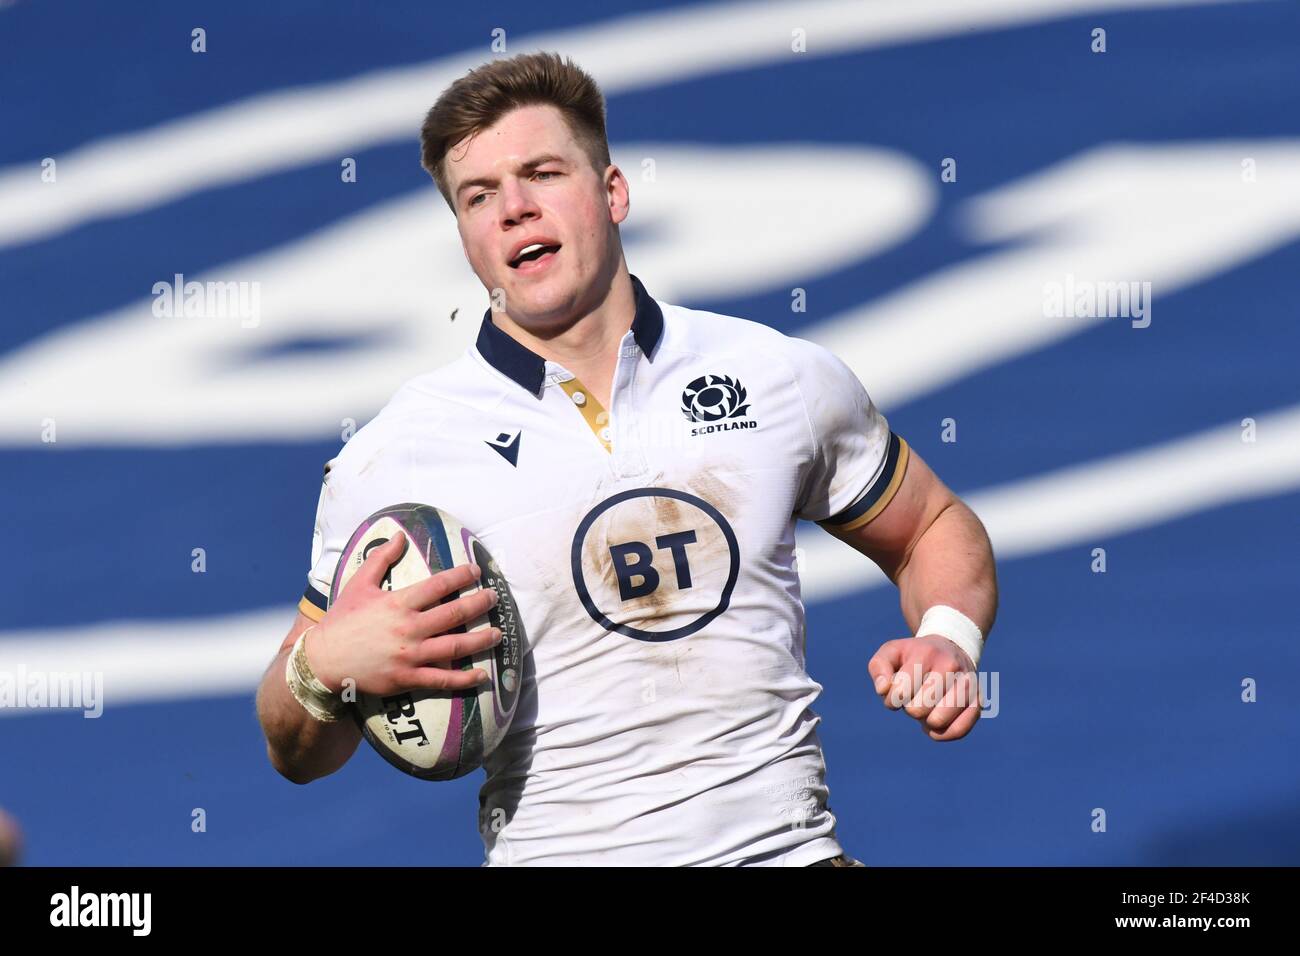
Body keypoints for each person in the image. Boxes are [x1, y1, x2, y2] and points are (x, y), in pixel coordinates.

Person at [255, 51, 998, 867]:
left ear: (613, 192)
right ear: (464, 234)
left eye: (541, 173)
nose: (514, 209)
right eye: (479, 196)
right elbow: (297, 754)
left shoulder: (775, 372)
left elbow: (931, 524)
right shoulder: (392, 457)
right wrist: (323, 673)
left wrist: (948, 635)